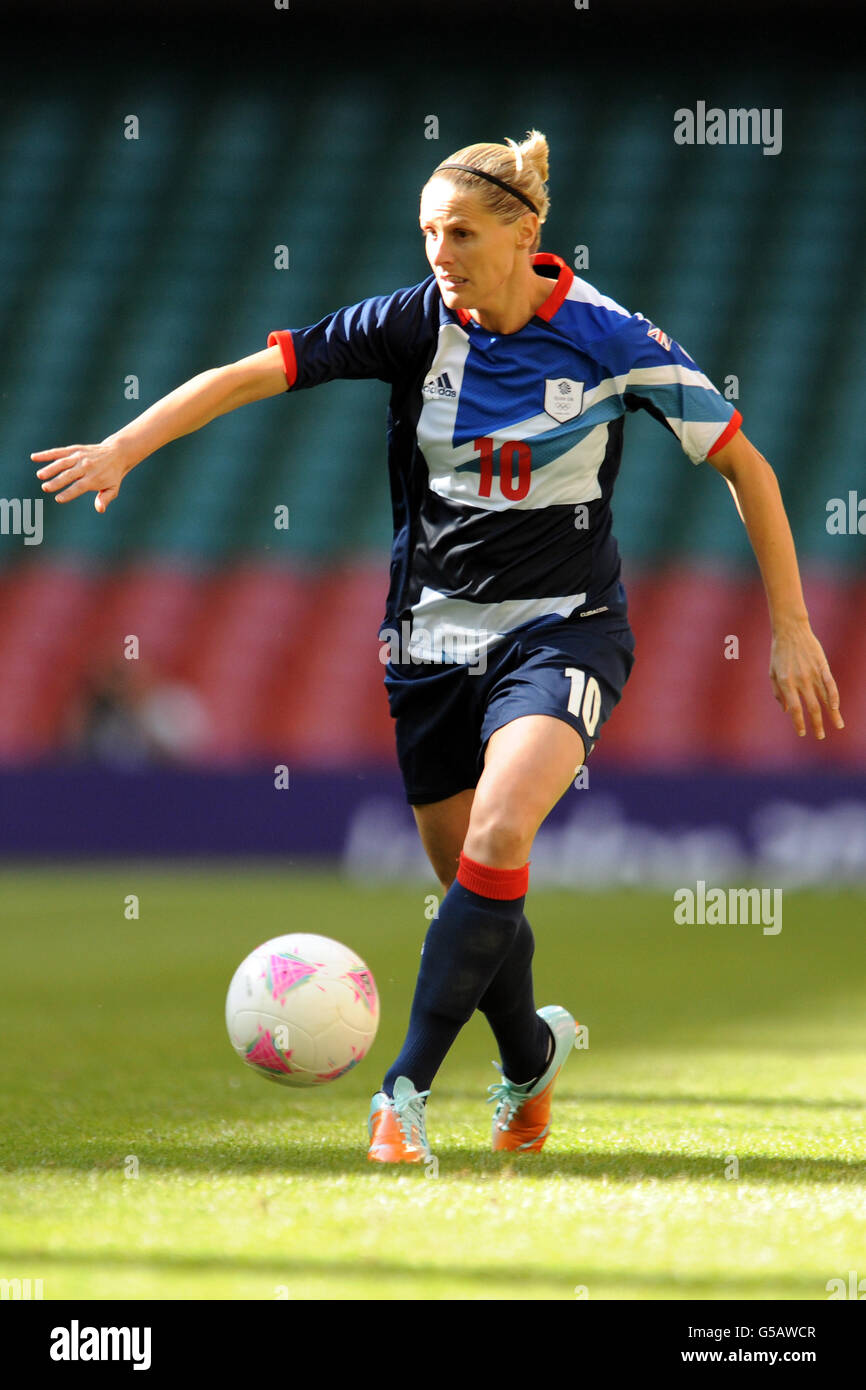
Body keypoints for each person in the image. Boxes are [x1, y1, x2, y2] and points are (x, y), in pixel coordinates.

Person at [33, 130, 844, 1166]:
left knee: (501, 835)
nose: (438, 250)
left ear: (524, 232)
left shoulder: (611, 338)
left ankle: (402, 1087)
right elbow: (252, 372)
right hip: (428, 640)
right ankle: (527, 1051)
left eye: (459, 230)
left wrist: (787, 626)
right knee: (473, 873)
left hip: (564, 628)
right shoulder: (411, 323)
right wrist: (125, 445)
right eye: (426, 230)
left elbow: (749, 469)